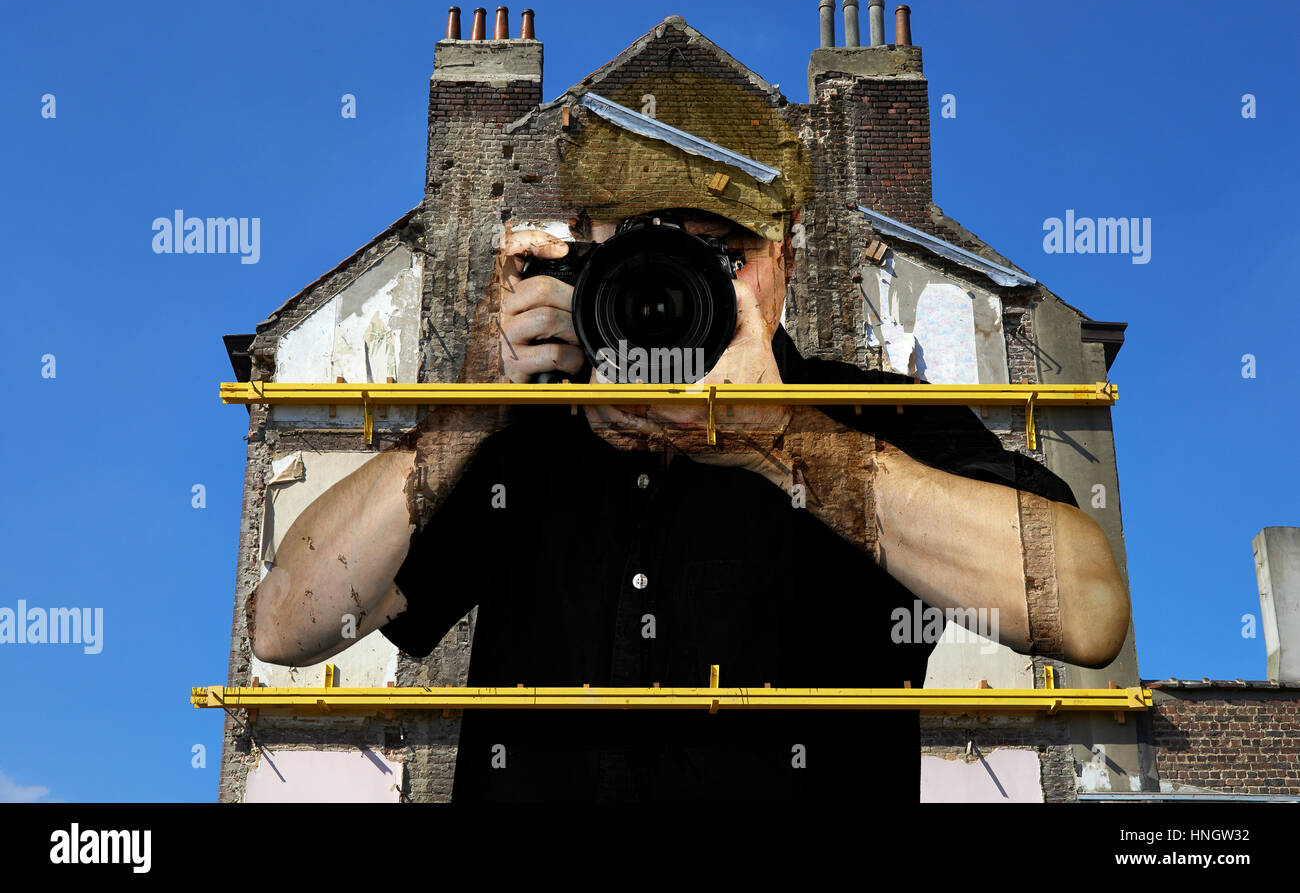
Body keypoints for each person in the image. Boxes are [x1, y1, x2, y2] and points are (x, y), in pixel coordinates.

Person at [248, 208, 1130, 802]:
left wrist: (777, 438)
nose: (678, 295)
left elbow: (1085, 609)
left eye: (724, 258)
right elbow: (286, 626)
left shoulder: (870, 411)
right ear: (584, 265)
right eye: (641, 257)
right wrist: (468, 413)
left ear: (783, 259)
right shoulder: (519, 435)